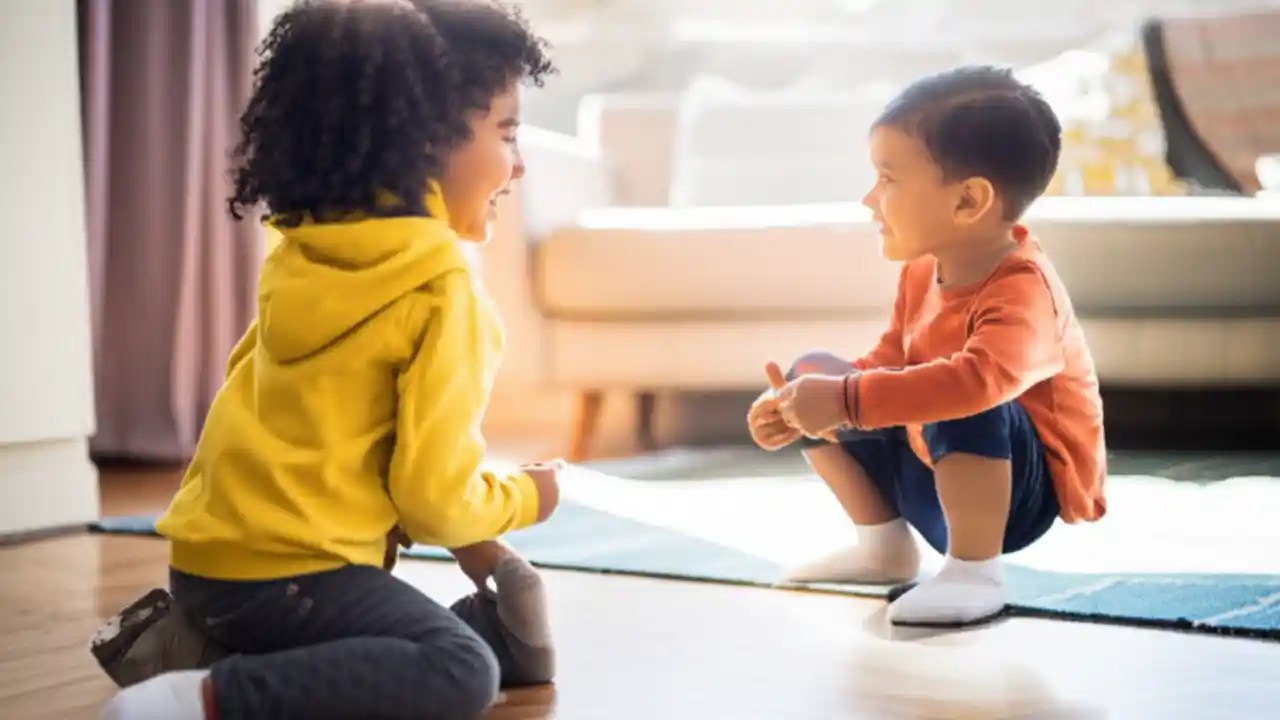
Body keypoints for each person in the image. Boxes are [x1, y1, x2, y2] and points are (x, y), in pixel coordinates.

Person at [96, 1, 559, 717]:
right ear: (425, 142)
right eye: (505, 131)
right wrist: (527, 497)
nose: (519, 163)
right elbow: (431, 500)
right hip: (290, 577)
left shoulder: (304, 245)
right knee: (459, 668)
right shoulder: (444, 288)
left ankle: (211, 646)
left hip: (202, 568)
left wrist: (477, 546)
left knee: (428, 645)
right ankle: (206, 698)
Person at [748, 66, 1107, 628]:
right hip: (930, 478)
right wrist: (806, 405)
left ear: (969, 201)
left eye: (888, 180)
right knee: (814, 372)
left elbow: (979, 382)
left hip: (1014, 501)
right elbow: (886, 364)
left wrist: (845, 401)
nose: (870, 199)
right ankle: (883, 547)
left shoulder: (1024, 290)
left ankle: (974, 572)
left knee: (961, 390)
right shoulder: (923, 269)